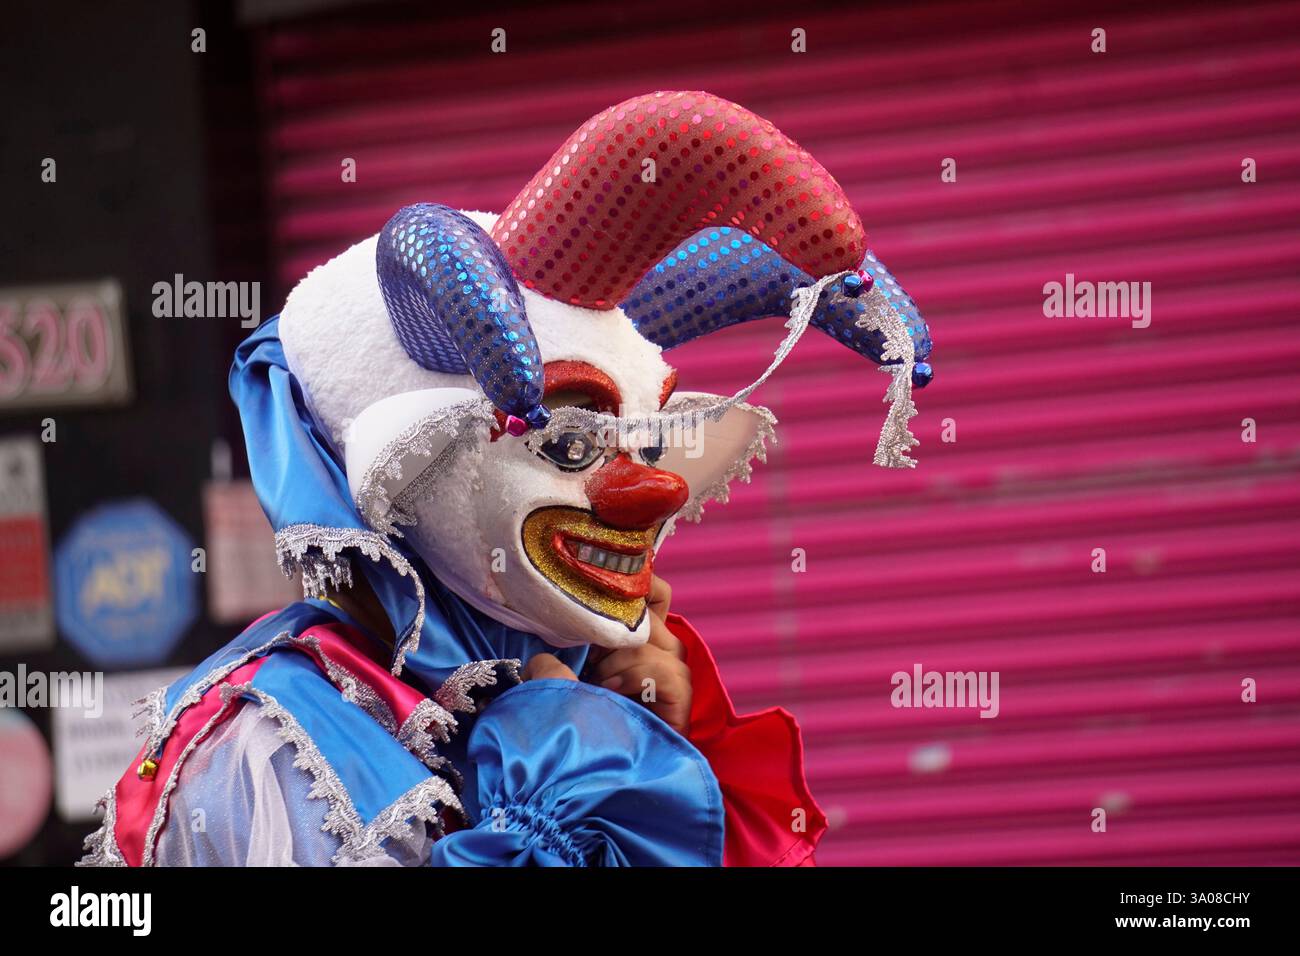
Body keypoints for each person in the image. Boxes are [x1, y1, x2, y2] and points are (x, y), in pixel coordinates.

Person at [80, 91, 933, 867]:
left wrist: (659, 751)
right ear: (399, 469)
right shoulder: (271, 748)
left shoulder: (575, 683)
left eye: (643, 440)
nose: (656, 493)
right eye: (565, 444)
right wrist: (566, 803)